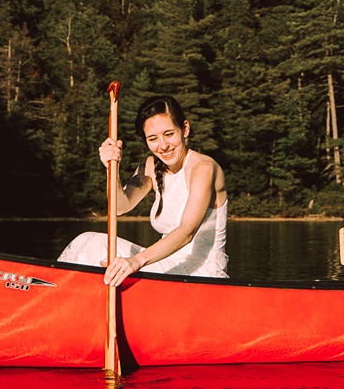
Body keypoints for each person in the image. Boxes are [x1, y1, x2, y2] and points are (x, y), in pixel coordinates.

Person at [59, 95, 228, 286]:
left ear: (185, 129)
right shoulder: (150, 166)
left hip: (201, 275)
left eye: (169, 134)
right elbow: (120, 207)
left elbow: (187, 232)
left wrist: (135, 262)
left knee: (112, 259)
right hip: (165, 265)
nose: (163, 145)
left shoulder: (203, 168)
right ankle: (61, 294)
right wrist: (111, 169)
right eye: (153, 138)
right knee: (90, 242)